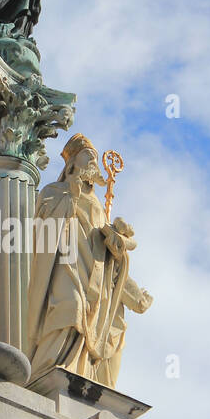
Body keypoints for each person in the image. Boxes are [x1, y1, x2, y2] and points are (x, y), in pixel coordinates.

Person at [27, 134, 152, 388]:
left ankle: (78, 373)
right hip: (64, 265)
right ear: (71, 162)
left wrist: (116, 239)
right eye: (88, 156)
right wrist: (71, 197)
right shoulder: (54, 191)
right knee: (71, 308)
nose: (94, 161)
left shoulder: (97, 204)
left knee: (86, 319)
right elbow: (42, 227)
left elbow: (110, 253)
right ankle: (46, 371)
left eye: (95, 157)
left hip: (93, 274)